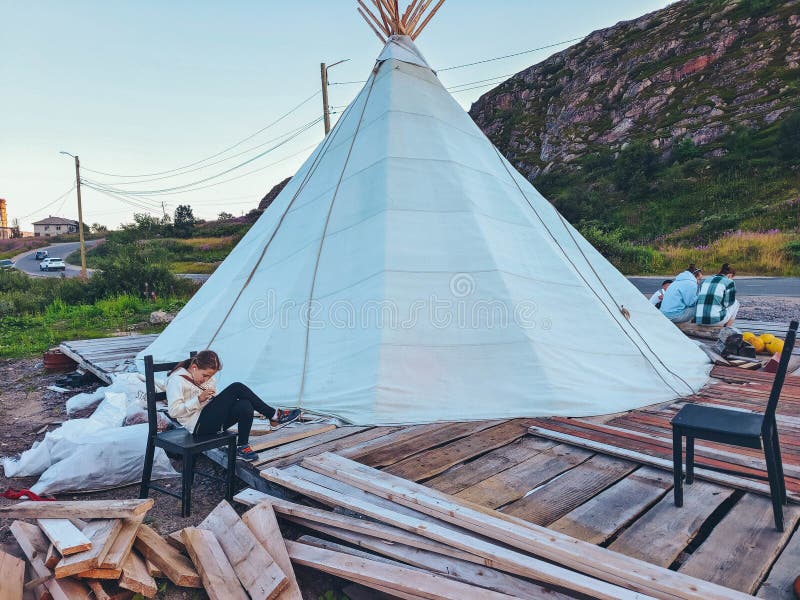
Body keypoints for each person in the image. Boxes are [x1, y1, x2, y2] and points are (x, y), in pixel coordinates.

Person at [165, 350, 301, 461]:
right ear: (194, 368)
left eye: (210, 376)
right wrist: (199, 399)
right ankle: (274, 416)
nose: (207, 379)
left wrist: (213, 399)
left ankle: (242, 446)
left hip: (213, 421)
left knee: (245, 405)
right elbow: (173, 411)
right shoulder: (177, 380)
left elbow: (212, 403)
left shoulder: (206, 379)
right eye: (205, 375)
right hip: (197, 426)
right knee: (237, 387)